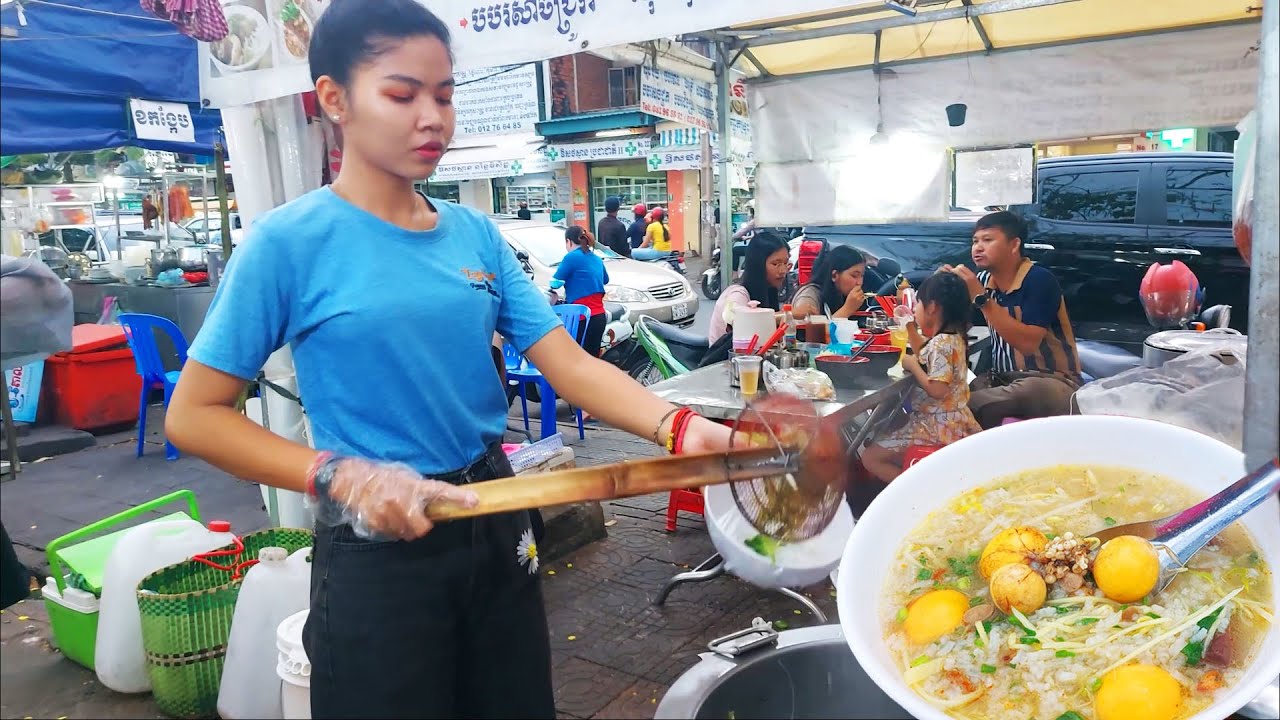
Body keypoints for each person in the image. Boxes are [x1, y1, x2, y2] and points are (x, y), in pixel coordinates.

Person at [162, 2, 734, 717]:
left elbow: (572, 365)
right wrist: (336, 473)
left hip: (494, 511)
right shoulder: (287, 243)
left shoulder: (475, 236)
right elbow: (194, 415)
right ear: (334, 99)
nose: (432, 117)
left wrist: (681, 429)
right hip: (376, 539)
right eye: (402, 94)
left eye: (444, 94)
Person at [946, 211, 1081, 429]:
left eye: (988, 240)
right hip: (1003, 379)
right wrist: (942, 289)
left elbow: (1027, 344)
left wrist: (982, 299)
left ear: (1014, 245)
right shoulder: (982, 280)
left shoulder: (1039, 280)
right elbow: (957, 323)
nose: (978, 247)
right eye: (975, 241)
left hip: (1052, 381)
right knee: (946, 399)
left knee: (970, 404)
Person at [861, 272, 981, 483]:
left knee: (871, 457)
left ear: (932, 307)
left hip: (935, 425)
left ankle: (915, 492)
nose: (915, 308)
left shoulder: (941, 343)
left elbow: (937, 389)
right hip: (955, 419)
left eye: (918, 303)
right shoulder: (953, 339)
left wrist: (913, 365)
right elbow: (924, 351)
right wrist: (909, 325)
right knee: (891, 430)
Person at [707, 231, 789, 344]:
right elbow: (742, 322)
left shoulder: (769, 289)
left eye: (786, 263)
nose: (783, 271)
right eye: (776, 264)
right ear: (757, 264)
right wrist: (788, 315)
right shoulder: (738, 294)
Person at [551, 226, 609, 356]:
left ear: (568, 241)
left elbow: (554, 283)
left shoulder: (571, 257)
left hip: (581, 318)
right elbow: (605, 279)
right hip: (599, 317)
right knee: (592, 360)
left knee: (575, 359)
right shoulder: (596, 258)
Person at [790, 245, 868, 320]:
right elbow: (813, 331)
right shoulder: (809, 295)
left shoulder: (840, 294)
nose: (859, 282)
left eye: (862, 276)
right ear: (834, 275)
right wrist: (847, 309)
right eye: (854, 275)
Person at [729, 205, 757, 272]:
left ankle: (734, 274)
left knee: (735, 250)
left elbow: (741, 232)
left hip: (758, 248)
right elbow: (758, 234)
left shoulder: (755, 221)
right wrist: (747, 237)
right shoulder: (763, 220)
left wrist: (729, 238)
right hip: (762, 246)